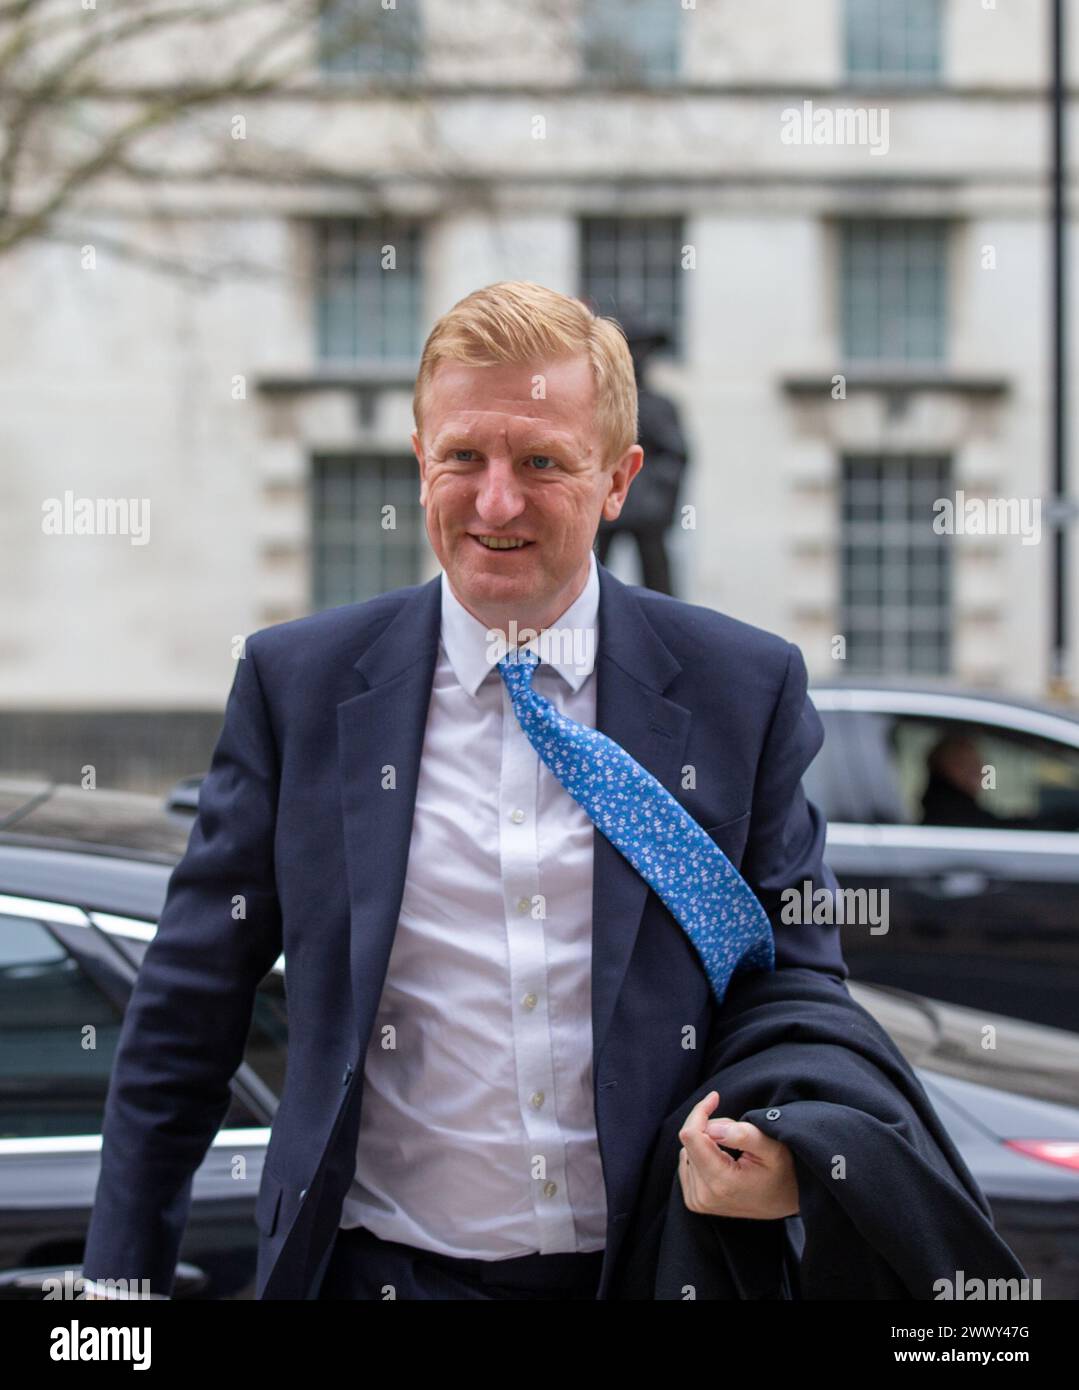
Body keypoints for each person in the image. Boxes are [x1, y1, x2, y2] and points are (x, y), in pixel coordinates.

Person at [80, 280, 847, 1302]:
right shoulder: (299, 685)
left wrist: (788, 1148)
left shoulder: (738, 691)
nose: (495, 503)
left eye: (540, 462)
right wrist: (113, 1294)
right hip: (372, 1274)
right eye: (463, 458)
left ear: (617, 480)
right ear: (419, 462)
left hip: (654, 1273)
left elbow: (795, 983)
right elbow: (188, 1009)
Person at [593, 311, 687, 594]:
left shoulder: (660, 406)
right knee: (593, 567)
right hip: (607, 504)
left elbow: (676, 455)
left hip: (647, 508)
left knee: (657, 573)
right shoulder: (598, 405)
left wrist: (656, 498)